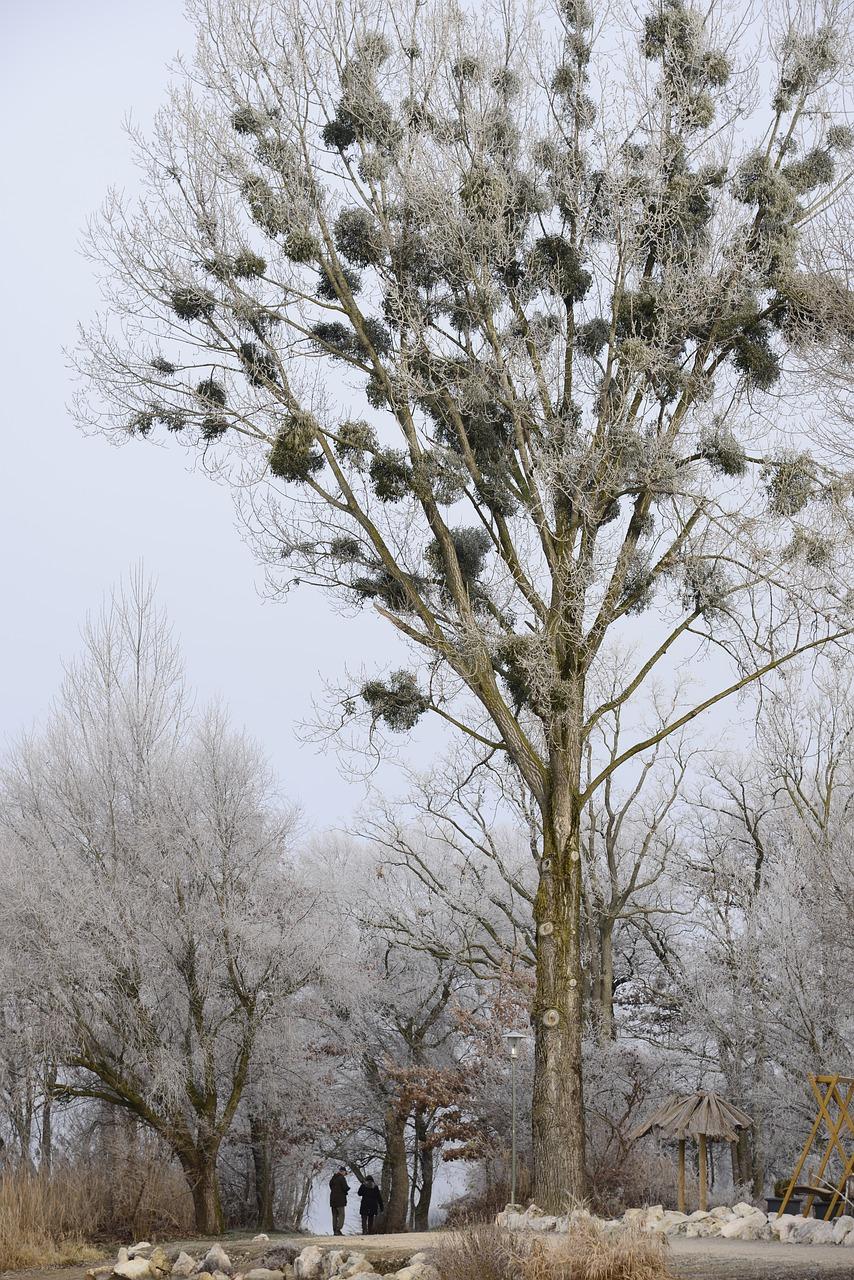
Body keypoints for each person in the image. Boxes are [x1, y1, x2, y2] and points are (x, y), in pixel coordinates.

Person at [329, 1166, 350, 1236]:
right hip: (340, 1200)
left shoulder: (333, 1178)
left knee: (334, 1215)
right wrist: (348, 1189)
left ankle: (335, 1230)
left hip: (332, 1200)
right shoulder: (342, 1178)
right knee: (341, 1215)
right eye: (344, 1172)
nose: (345, 1174)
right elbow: (345, 1188)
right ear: (342, 1171)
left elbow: (331, 1186)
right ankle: (338, 1229)